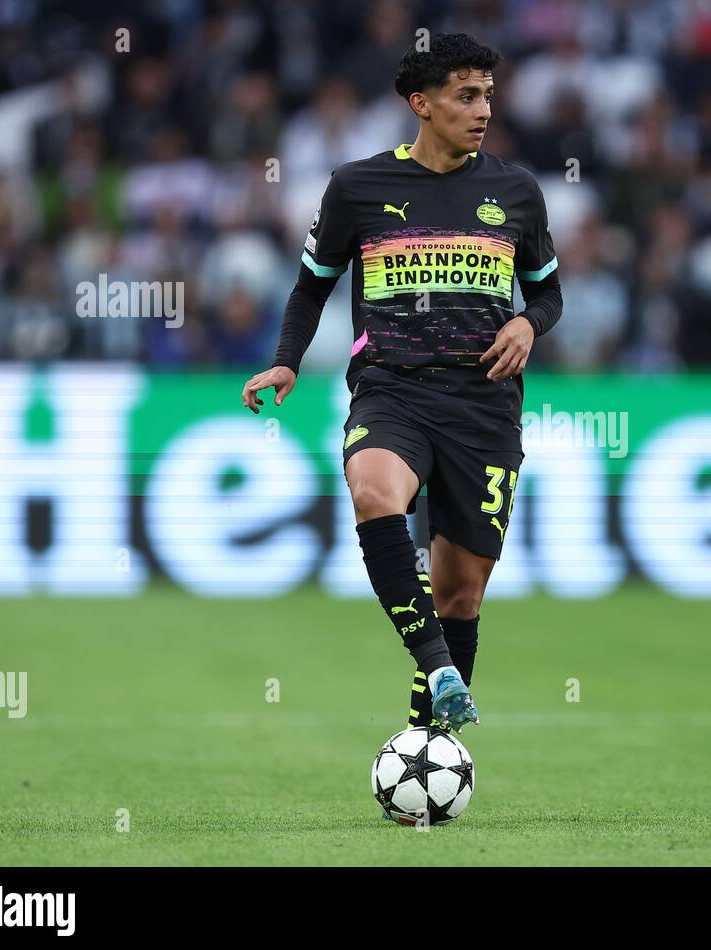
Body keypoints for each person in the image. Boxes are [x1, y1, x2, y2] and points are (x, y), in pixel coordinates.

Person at [241, 33, 562, 737]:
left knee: (461, 592)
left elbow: (548, 294)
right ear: (422, 103)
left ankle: (429, 752)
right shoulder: (358, 187)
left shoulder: (515, 190)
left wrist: (529, 325)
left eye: (488, 96)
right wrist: (288, 360)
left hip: (484, 406)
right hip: (393, 388)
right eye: (466, 95)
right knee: (372, 491)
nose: (482, 109)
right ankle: (436, 665)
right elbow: (309, 287)